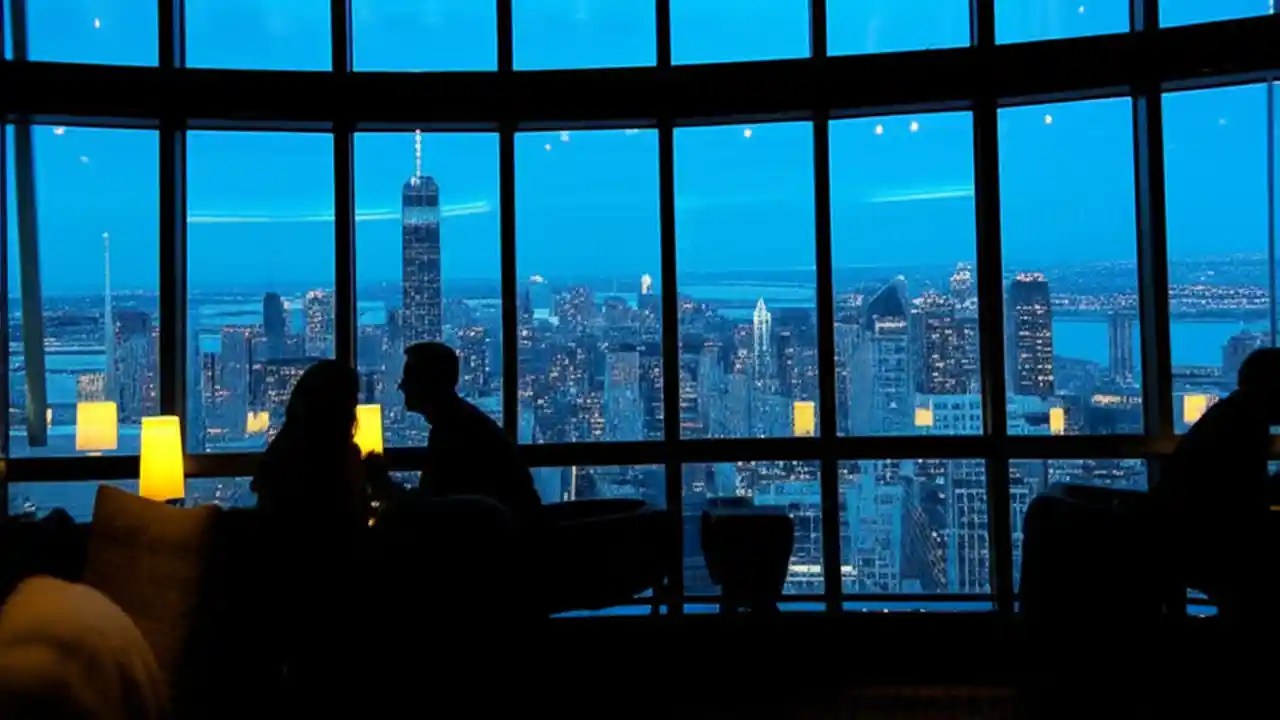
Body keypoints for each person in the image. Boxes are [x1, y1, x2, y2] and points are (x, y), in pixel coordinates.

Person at [1157, 347, 1280, 621]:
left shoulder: (1228, 416)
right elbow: (1245, 502)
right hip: (1207, 544)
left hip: (1185, 537)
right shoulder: (1244, 426)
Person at [399, 342, 542, 522]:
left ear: (429, 381)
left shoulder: (455, 432)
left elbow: (437, 509)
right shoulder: (460, 423)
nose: (402, 385)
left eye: (409, 377)